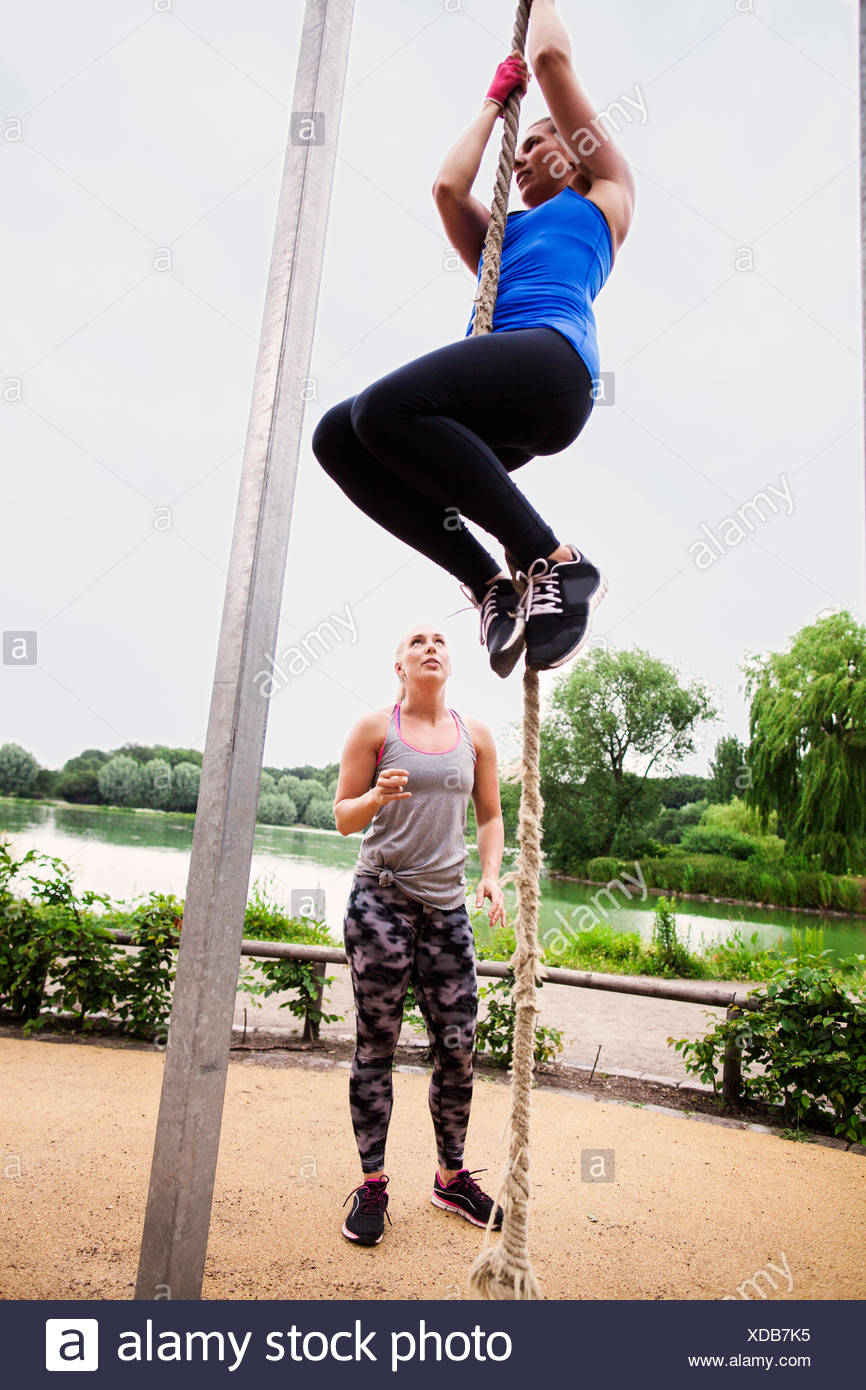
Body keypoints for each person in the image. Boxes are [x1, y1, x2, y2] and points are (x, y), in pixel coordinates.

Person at [312, 0, 635, 677]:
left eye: (535, 144)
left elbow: (549, 61)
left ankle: (556, 563)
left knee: (382, 410)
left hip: (553, 365)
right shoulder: (500, 236)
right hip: (498, 414)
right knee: (339, 437)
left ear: (573, 154)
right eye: (515, 152)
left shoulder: (603, 195)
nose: (520, 161)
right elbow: (445, 186)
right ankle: (492, 587)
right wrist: (494, 105)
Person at [334, 623, 507, 1246]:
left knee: (459, 1047)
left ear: (449, 663)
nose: (430, 646)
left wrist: (491, 875)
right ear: (399, 664)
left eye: (439, 640)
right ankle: (374, 1186)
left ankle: (450, 1177)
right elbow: (342, 818)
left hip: (448, 911)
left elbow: (490, 816)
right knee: (375, 1045)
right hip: (380, 900)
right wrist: (376, 796)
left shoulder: (476, 735)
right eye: (416, 641)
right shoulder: (374, 729)